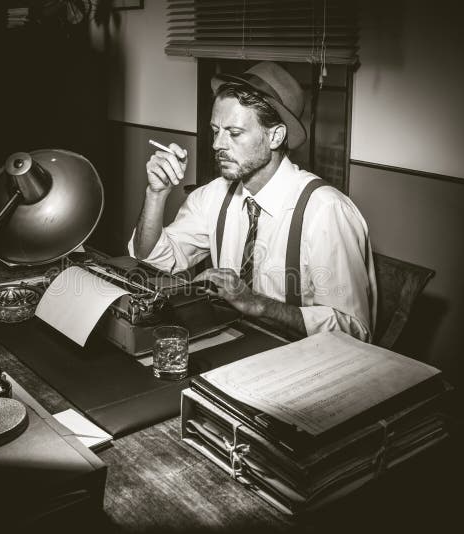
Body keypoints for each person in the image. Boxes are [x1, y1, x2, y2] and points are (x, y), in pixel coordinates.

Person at [128, 62, 377, 342]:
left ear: (275, 136)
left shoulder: (326, 211)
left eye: (234, 133)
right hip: (231, 346)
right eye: (215, 131)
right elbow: (153, 260)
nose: (217, 145)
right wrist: (156, 195)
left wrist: (259, 304)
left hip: (301, 364)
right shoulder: (214, 196)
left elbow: (355, 331)